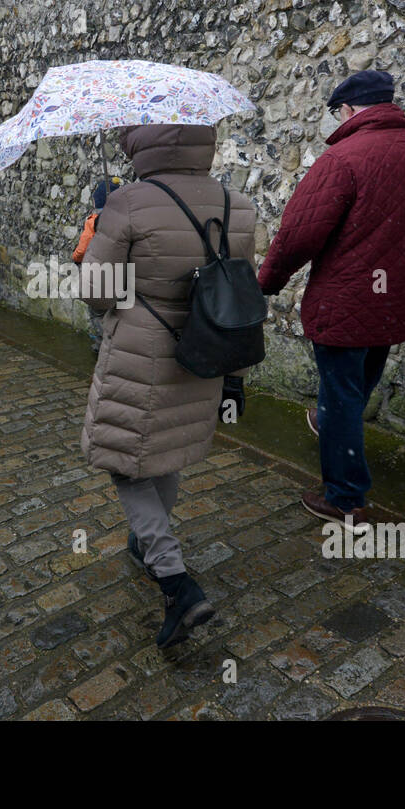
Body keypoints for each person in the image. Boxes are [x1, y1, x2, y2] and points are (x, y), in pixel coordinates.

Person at [257, 70, 405, 525]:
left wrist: (266, 282)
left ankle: (345, 498)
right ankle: (330, 420)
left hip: (344, 302)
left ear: (349, 110)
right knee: (352, 387)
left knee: (344, 394)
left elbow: (298, 235)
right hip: (394, 305)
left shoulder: (342, 159)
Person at [80, 123, 257, 649]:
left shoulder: (129, 202)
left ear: (141, 146)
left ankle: (175, 582)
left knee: (123, 461)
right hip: (207, 353)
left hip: (142, 354)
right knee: (166, 453)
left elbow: (98, 294)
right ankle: (144, 542)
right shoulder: (237, 203)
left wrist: (102, 234)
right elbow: (242, 290)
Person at [72, 175, 123, 354]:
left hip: (97, 277)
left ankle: (102, 347)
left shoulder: (93, 222)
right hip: (121, 276)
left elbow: (82, 249)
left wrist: (76, 258)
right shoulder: (125, 221)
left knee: (97, 314)